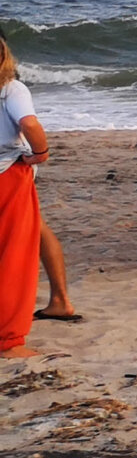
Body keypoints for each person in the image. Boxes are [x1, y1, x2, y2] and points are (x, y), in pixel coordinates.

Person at [0, 36, 44, 355]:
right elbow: (29, 123)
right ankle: (9, 338)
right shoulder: (11, 89)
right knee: (14, 255)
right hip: (7, 175)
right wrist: (41, 152)